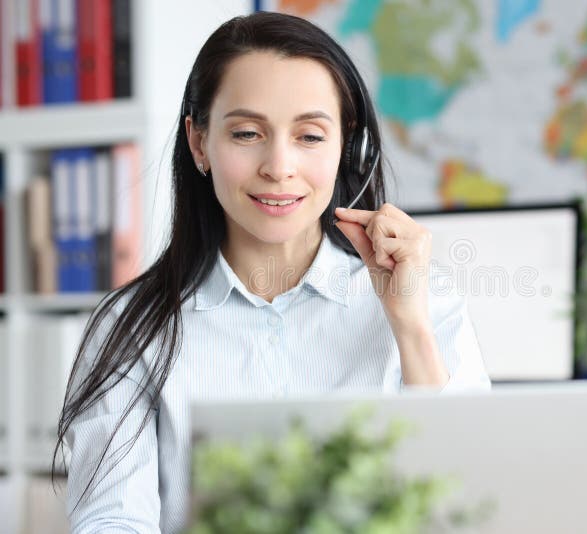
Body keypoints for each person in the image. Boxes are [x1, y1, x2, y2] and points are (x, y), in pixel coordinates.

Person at [55, 11, 490, 533]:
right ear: (199, 143)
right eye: (246, 133)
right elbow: (111, 520)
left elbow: (471, 505)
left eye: (310, 136)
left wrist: (411, 327)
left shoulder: (425, 302)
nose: (279, 167)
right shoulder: (130, 327)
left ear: (347, 145)